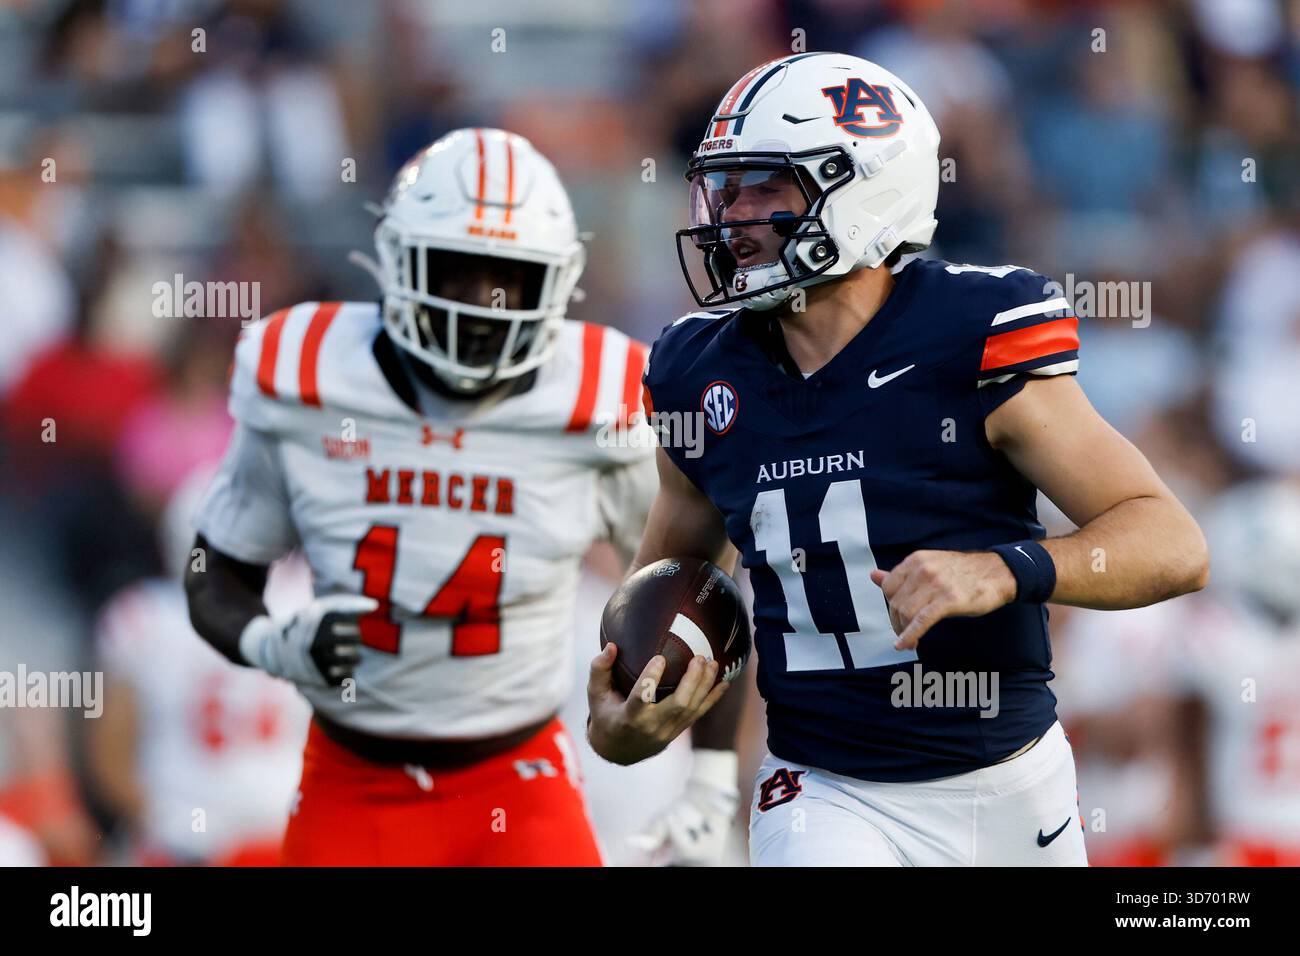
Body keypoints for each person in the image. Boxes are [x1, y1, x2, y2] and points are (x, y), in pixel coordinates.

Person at [586, 53, 1208, 867]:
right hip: (824, 788)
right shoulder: (695, 371)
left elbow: (1173, 544)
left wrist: (1003, 568)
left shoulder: (970, 333)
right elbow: (683, 593)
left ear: (862, 189)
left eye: (765, 188)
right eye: (723, 188)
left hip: (1010, 783)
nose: (730, 217)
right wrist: (628, 723)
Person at [185, 129, 728, 865]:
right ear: (397, 263)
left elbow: (702, 593)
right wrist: (270, 643)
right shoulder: (307, 375)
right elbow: (214, 571)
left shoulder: (603, 397)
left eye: (506, 277)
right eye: (455, 272)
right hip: (353, 780)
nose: (482, 304)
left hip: (518, 775)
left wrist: (713, 775)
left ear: (557, 282)